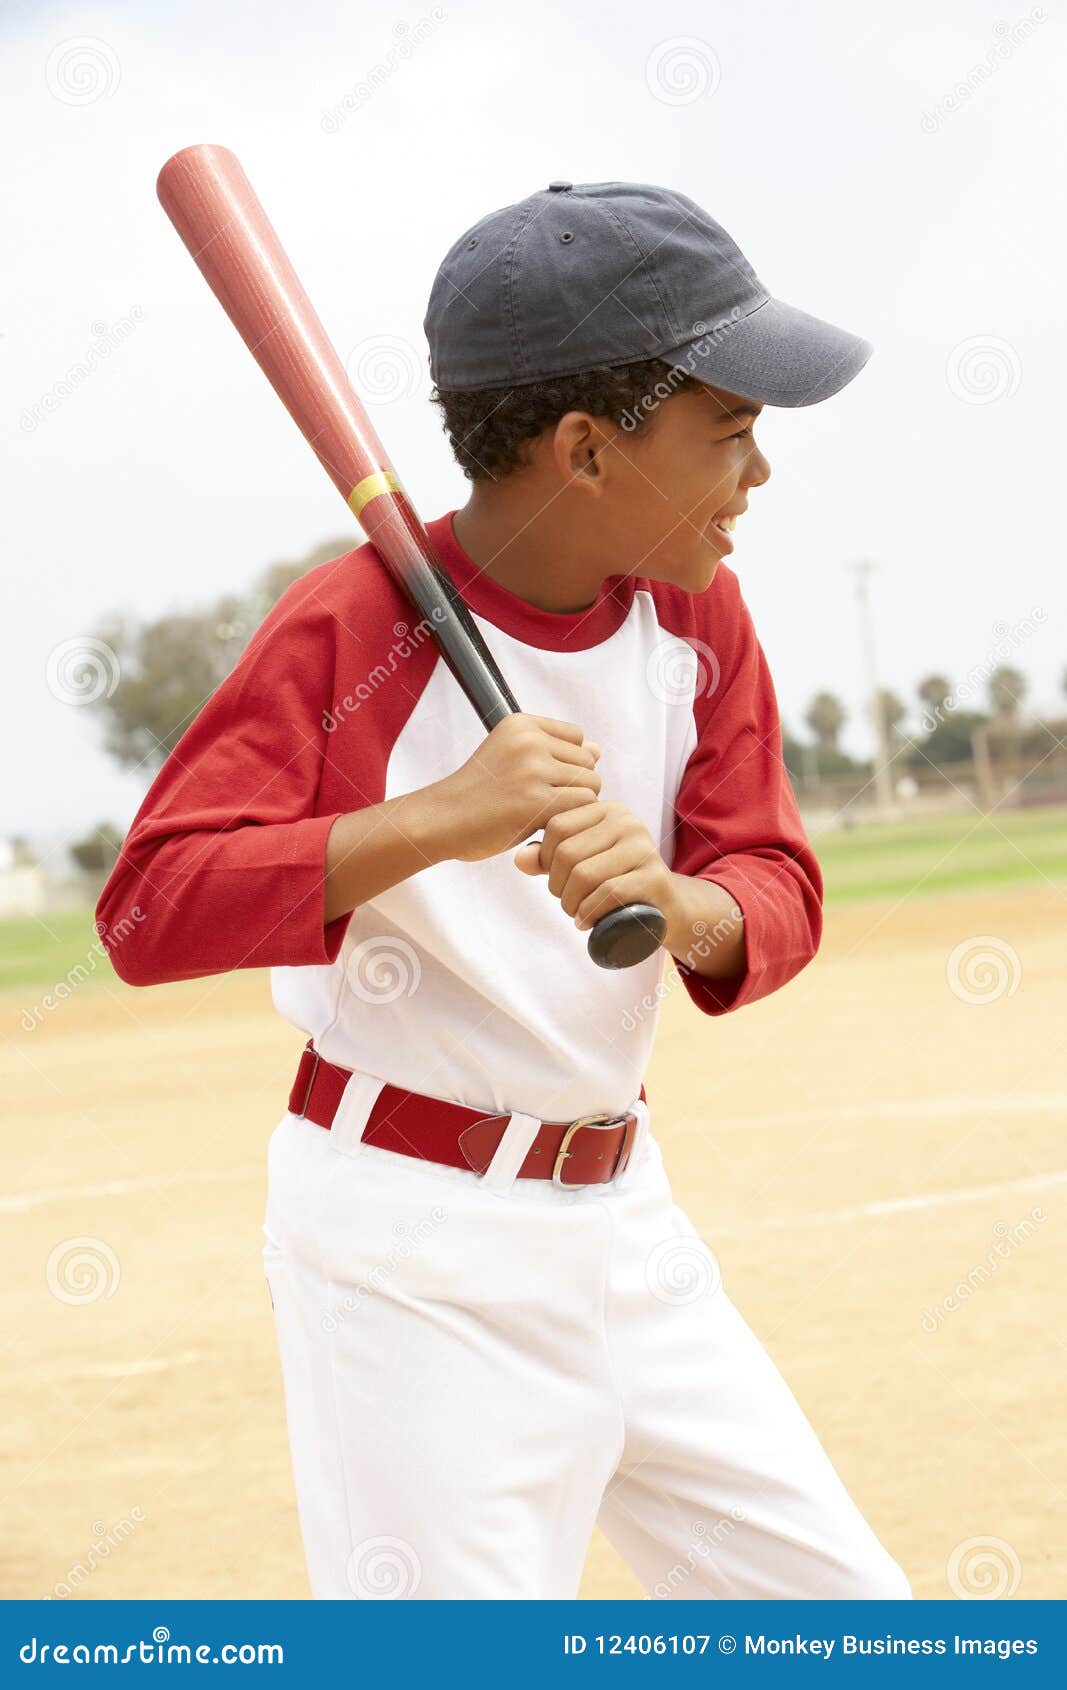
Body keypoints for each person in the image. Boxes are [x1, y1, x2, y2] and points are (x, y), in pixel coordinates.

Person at [97, 180, 910, 1601]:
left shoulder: (695, 610)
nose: (760, 473)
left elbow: (773, 879)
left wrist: (680, 899)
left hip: (629, 1224)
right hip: (414, 1256)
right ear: (587, 447)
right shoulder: (353, 626)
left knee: (849, 1629)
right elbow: (149, 907)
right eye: (730, 431)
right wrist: (432, 822)